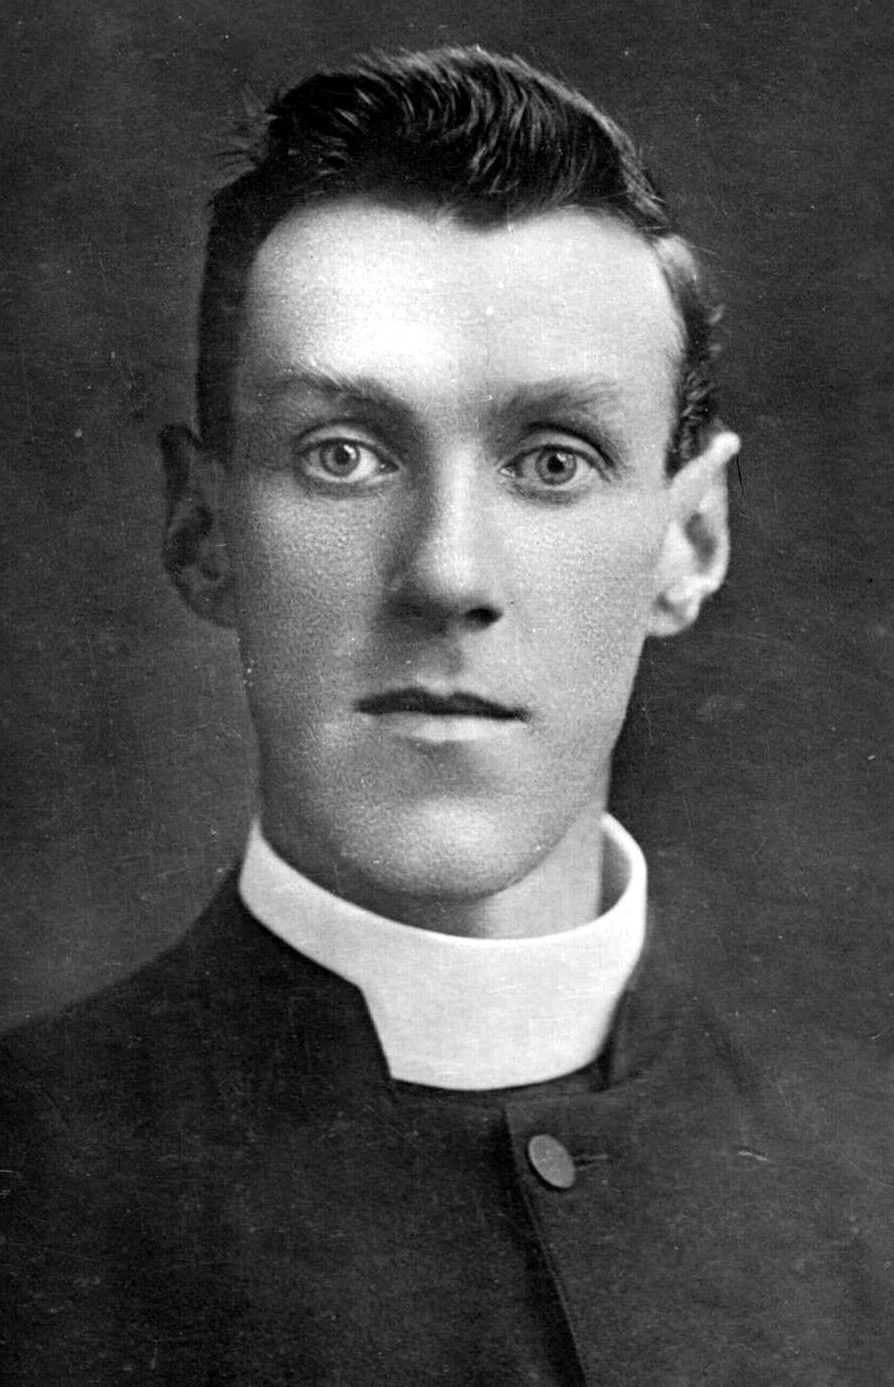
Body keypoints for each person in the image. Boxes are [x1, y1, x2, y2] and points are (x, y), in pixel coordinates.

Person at [2, 46, 890, 1386]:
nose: (447, 575)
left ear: (689, 538)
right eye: (342, 455)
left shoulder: (866, 1188)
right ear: (201, 529)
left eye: (551, 459)